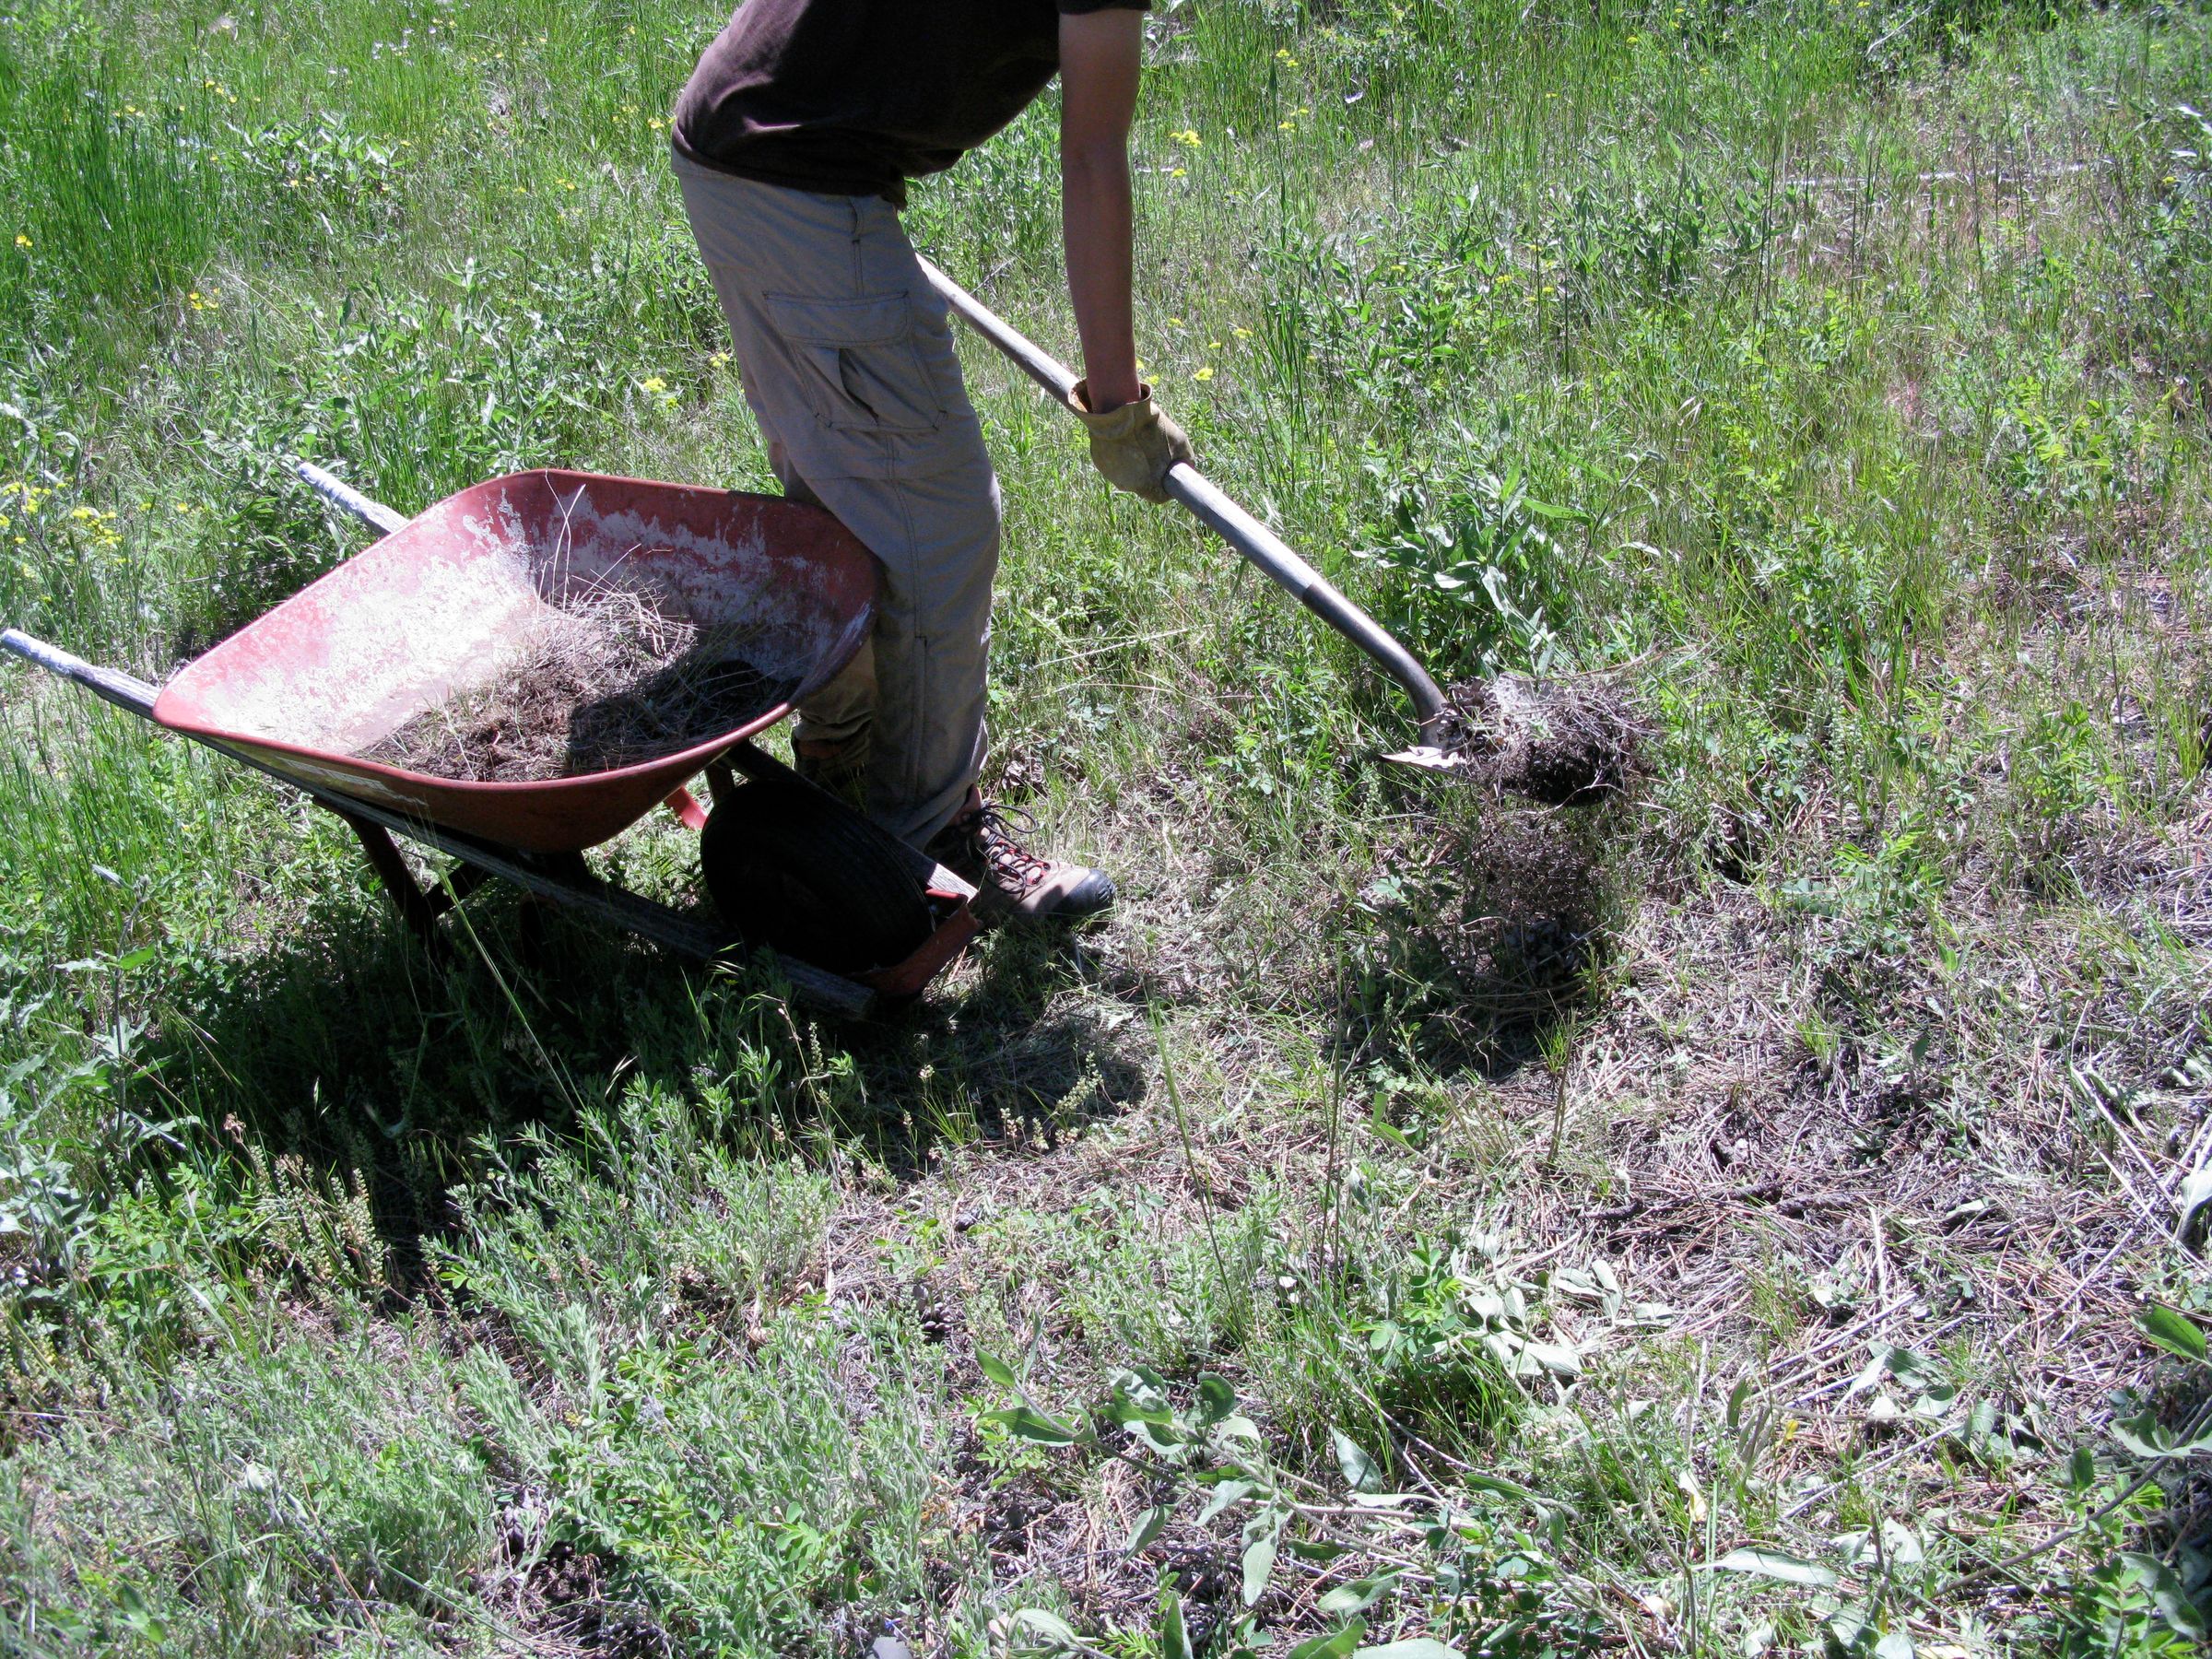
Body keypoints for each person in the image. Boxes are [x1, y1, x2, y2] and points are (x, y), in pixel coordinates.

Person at [669, 1, 1193, 923]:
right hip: (794, 172)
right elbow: (1092, 159)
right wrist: (1117, 404)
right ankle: (930, 833)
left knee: (851, 494)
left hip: (735, 141)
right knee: (941, 526)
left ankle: (843, 750)